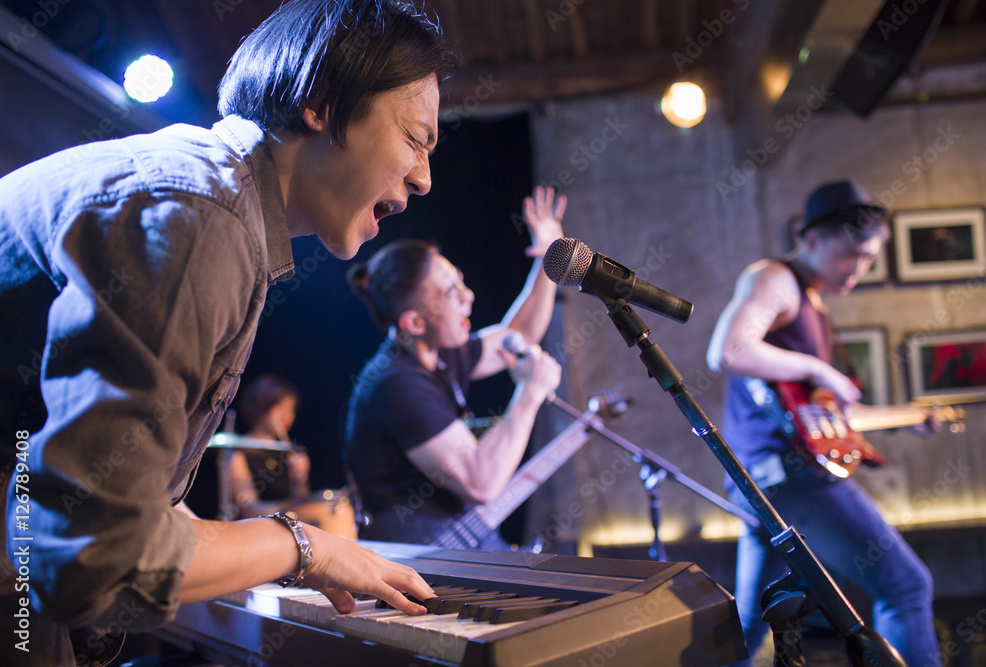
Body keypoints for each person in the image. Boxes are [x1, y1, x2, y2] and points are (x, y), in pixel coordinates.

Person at [1, 1, 453, 664]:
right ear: (320, 101)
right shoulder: (198, 216)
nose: (424, 177)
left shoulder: (216, 200)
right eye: (416, 138)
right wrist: (305, 547)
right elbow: (94, 561)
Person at [706, 180, 941, 666]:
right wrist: (819, 368)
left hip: (762, 484)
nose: (860, 267)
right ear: (810, 238)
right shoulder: (776, 279)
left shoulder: (813, 305)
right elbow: (728, 350)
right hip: (790, 478)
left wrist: (908, 418)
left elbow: (829, 420)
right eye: (850, 253)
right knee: (905, 586)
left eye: (870, 257)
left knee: (747, 629)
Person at [344, 186, 565, 548]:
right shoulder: (397, 384)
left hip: (449, 536)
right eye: (451, 292)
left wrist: (547, 257)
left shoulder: (441, 352)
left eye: (460, 281)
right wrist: (530, 393)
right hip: (414, 554)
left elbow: (520, 333)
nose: (469, 297)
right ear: (414, 322)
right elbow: (480, 483)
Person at [227, 374, 357, 538]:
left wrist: (299, 480)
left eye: (291, 409)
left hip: (289, 530)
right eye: (279, 407)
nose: (286, 415)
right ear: (262, 405)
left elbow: (300, 501)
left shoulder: (287, 452)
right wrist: (291, 507)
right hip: (258, 534)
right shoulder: (238, 452)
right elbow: (250, 510)